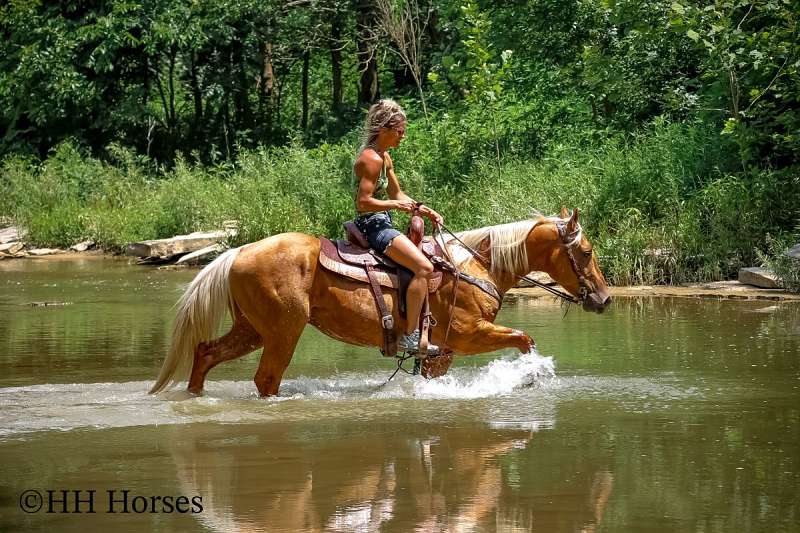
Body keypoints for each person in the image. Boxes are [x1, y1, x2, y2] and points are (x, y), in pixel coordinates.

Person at [353, 99, 443, 355]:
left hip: (383, 221)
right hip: (373, 226)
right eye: (399, 131)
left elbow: (397, 193)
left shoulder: (385, 157)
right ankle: (410, 336)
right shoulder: (371, 159)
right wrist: (395, 205)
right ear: (384, 129)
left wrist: (420, 208)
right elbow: (363, 203)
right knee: (424, 268)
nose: (402, 137)